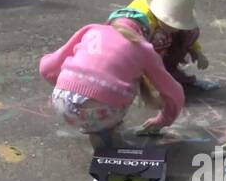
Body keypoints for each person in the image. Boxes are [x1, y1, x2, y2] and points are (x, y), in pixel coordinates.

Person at [38, 14, 185, 150]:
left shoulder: (92, 29)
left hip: (61, 102)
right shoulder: (143, 47)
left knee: (96, 76)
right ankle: (105, 134)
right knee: (128, 78)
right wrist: (164, 119)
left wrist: (64, 84)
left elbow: (47, 67)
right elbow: (174, 92)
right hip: (103, 111)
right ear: (143, 32)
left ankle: (93, 127)